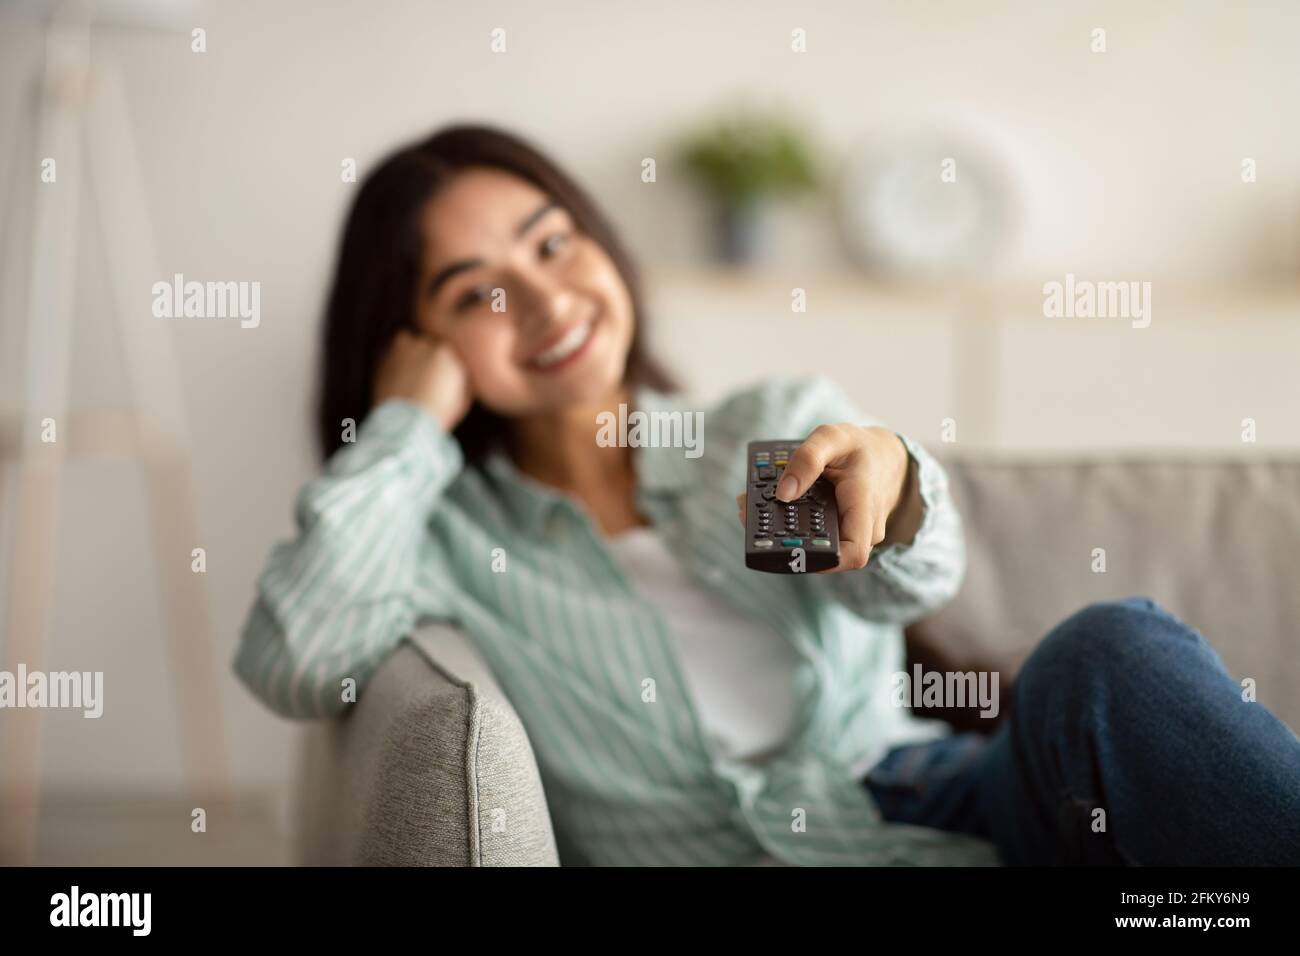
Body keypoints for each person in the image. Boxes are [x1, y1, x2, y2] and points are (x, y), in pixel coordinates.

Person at [233, 124, 1300, 866]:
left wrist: (894, 489)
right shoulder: (444, 540)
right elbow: (299, 651)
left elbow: (899, 586)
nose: (548, 297)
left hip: (938, 800)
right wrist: (407, 425)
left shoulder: (751, 429)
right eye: (477, 291)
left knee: (1110, 649)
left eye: (554, 242)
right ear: (418, 341)